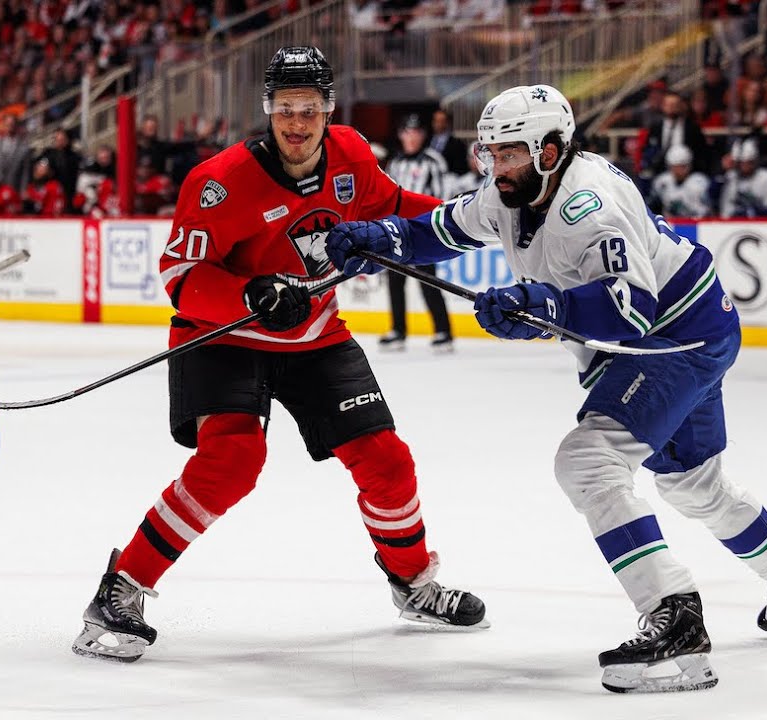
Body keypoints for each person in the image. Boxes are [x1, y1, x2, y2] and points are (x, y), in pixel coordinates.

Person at [325, 84, 767, 694]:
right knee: (690, 482)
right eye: (491, 154)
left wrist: (541, 304)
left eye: (510, 155)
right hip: (681, 328)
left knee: (588, 462)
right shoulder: (514, 189)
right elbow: (444, 231)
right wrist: (379, 240)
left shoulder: (589, 204)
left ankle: (676, 620)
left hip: (670, 336)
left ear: (550, 150)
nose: (496, 167)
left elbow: (627, 310)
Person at [71, 46, 487, 665]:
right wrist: (251, 292)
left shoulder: (351, 154)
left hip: (314, 334)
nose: (298, 122)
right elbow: (181, 274)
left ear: (328, 111)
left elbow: (402, 215)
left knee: (387, 462)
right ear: (268, 109)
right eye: (286, 109)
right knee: (232, 461)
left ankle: (414, 585)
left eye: (310, 109)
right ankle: (121, 590)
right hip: (223, 334)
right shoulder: (219, 182)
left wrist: (485, 221)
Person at [380, 113, 454, 352]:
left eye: (416, 133)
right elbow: (389, 195)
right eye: (407, 133)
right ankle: (398, 330)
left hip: (423, 231)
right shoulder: (395, 162)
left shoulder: (433, 161)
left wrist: (432, 228)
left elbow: (442, 197)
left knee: (428, 281)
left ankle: (443, 330)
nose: (412, 138)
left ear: (423, 136)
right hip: (398, 230)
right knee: (394, 280)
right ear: (401, 135)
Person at [646, 144, 711, 219]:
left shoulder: (699, 182)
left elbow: (708, 208)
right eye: (675, 167)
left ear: (688, 165)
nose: (678, 171)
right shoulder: (662, 182)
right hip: (671, 224)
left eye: (682, 166)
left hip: (696, 223)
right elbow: (652, 204)